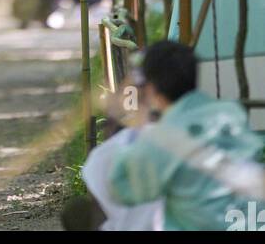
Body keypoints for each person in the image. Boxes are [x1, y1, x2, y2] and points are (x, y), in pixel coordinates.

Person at [106, 40, 265, 231]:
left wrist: (141, 122)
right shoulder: (231, 112)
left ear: (150, 88)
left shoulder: (159, 139)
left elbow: (121, 188)